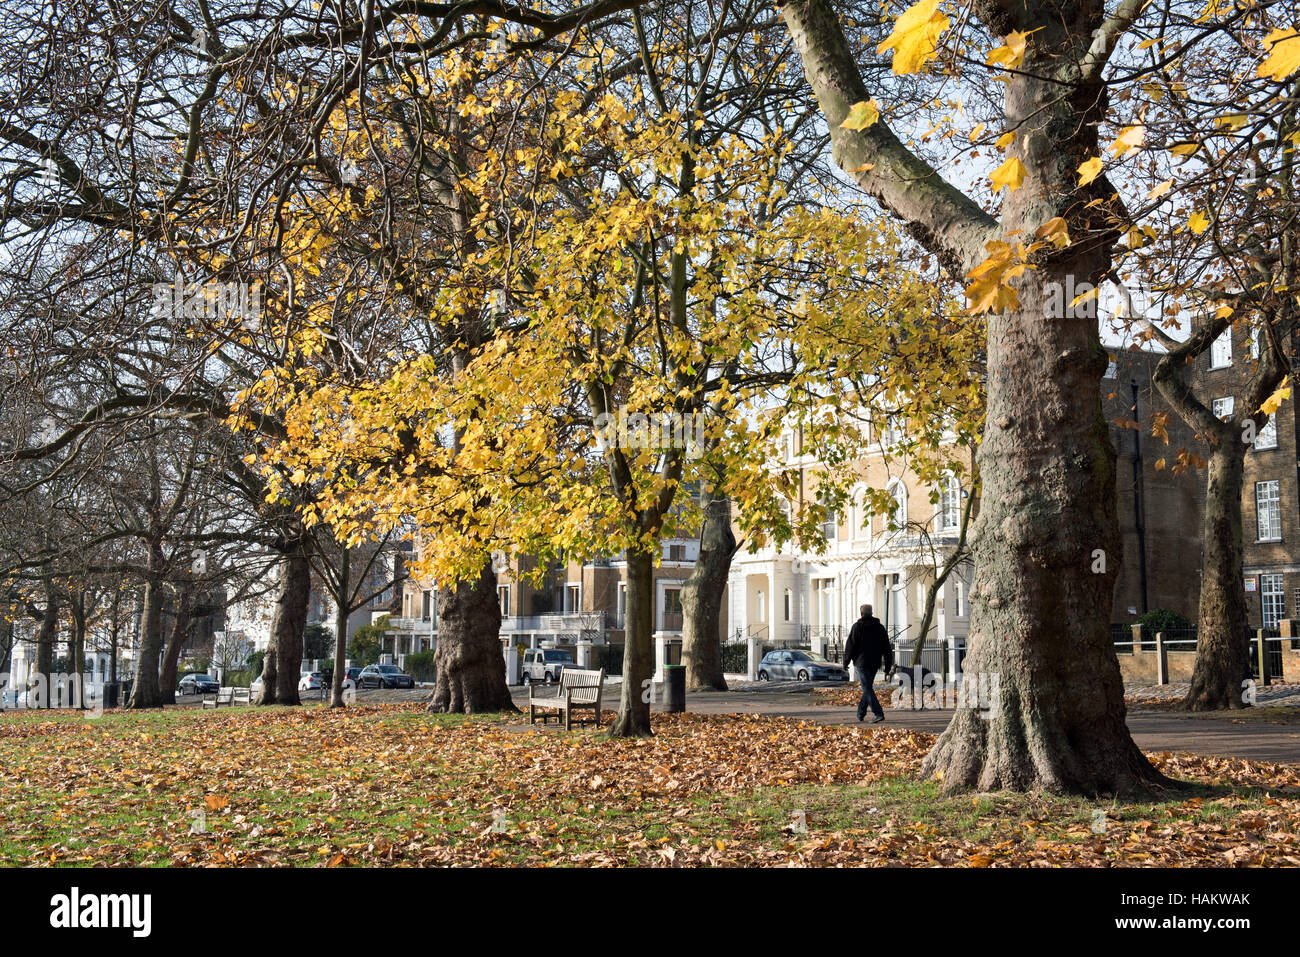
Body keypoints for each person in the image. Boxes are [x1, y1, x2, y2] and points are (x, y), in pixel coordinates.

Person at [843, 603, 893, 723]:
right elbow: (886, 648)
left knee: (866, 688)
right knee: (867, 688)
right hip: (875, 663)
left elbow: (850, 646)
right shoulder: (880, 628)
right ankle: (861, 713)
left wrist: (845, 662)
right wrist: (887, 665)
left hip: (861, 662)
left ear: (861, 614)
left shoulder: (857, 627)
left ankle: (878, 713)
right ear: (871, 613)